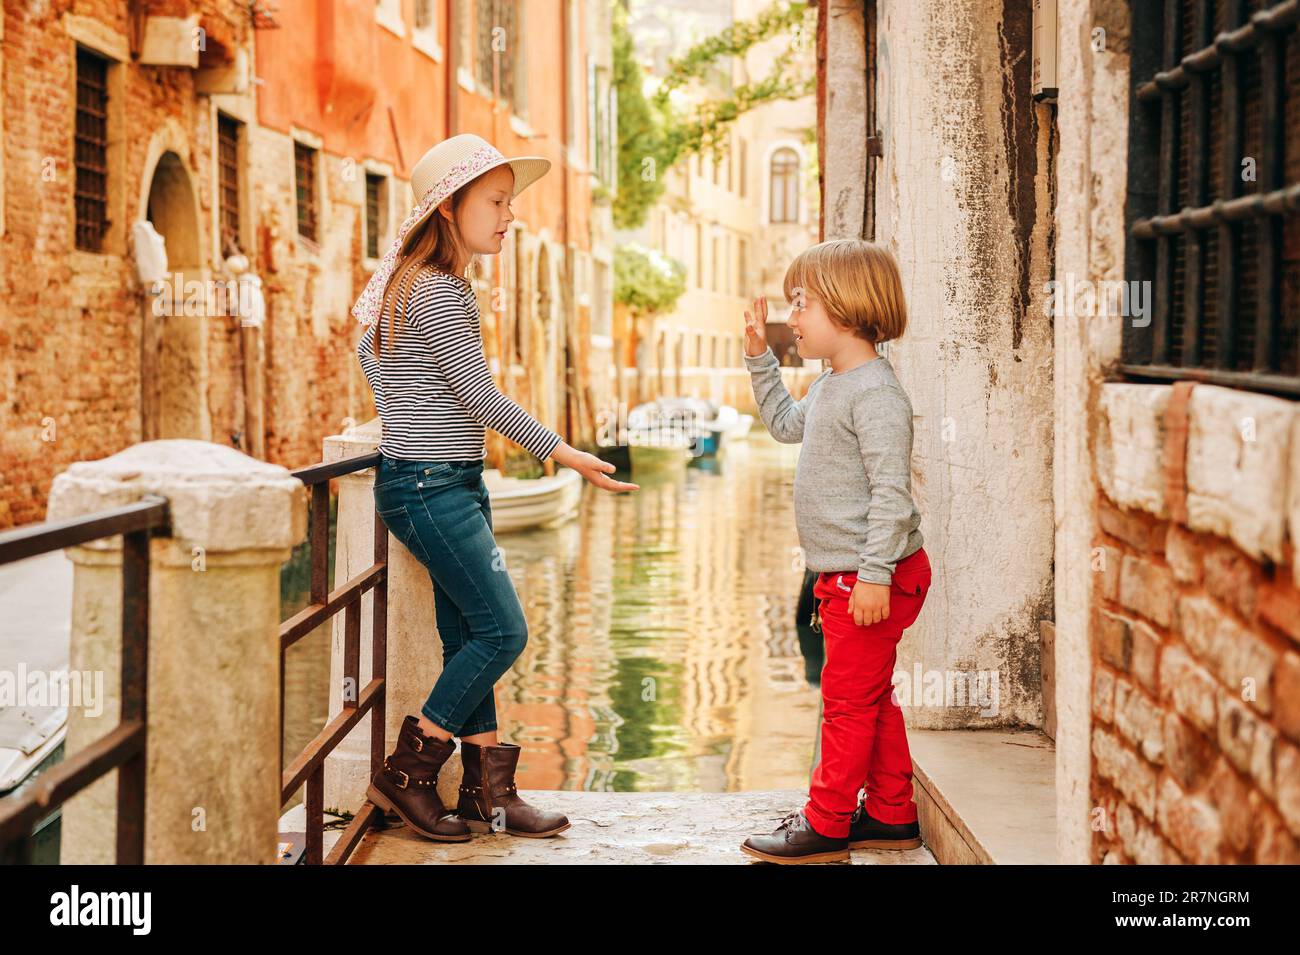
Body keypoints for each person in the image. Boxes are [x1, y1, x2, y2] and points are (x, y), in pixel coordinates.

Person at [352, 133, 637, 842]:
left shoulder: (403, 284)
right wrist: (568, 453)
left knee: (468, 636)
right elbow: (480, 397)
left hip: (431, 481)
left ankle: (490, 793)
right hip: (432, 486)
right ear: (449, 207)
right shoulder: (441, 290)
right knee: (504, 629)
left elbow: (374, 362)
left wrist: (410, 420)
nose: (512, 216)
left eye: (511, 201)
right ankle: (409, 772)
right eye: (497, 201)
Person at [738, 239, 931, 864]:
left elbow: (892, 497)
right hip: (849, 576)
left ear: (847, 309)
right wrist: (760, 361)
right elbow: (785, 427)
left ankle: (826, 823)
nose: (791, 317)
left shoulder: (876, 395)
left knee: (846, 704)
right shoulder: (831, 385)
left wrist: (873, 576)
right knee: (872, 699)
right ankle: (891, 814)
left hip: (871, 577)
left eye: (802, 304)